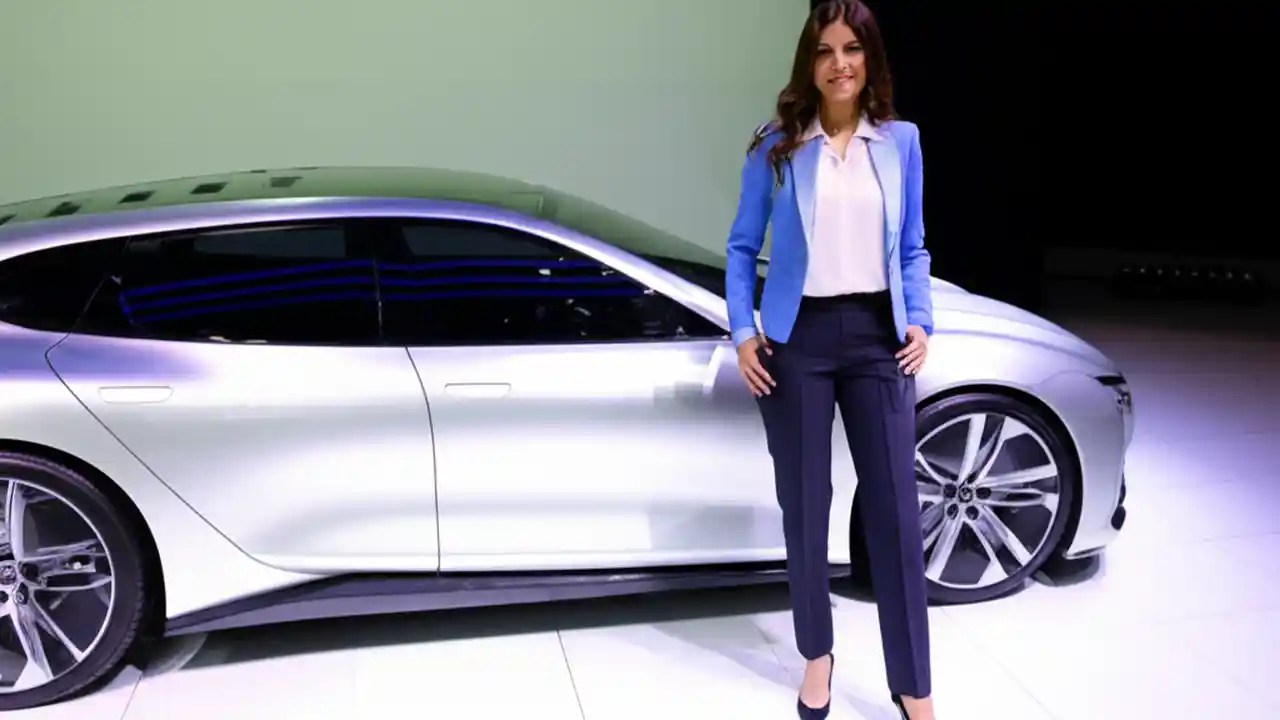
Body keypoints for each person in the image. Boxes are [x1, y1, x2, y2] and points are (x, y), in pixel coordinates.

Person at [723, 2, 936, 718]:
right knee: (806, 511)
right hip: (800, 341)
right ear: (807, 63)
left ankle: (913, 685)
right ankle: (817, 654)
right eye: (825, 50)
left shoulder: (900, 142)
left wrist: (922, 320)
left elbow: (912, 247)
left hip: (880, 338)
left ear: (870, 57)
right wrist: (744, 332)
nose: (839, 63)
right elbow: (739, 246)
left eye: (852, 48)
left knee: (897, 520)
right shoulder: (778, 146)